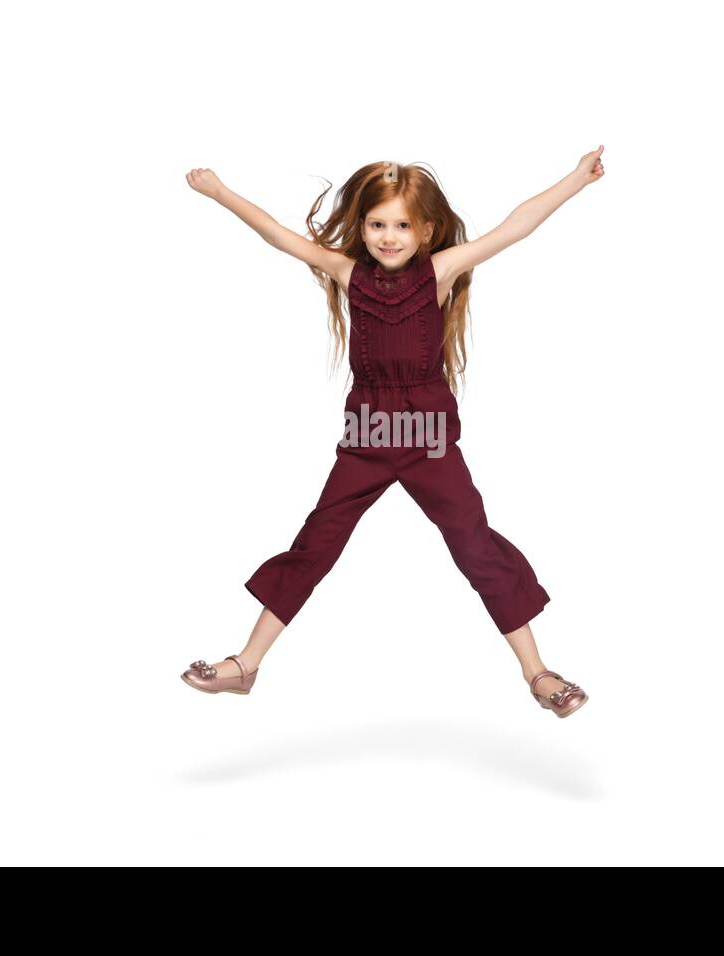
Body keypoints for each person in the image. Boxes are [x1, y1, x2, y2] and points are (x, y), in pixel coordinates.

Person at [180, 149, 605, 717]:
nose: (388, 236)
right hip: (368, 437)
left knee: (475, 545)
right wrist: (221, 193)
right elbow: (279, 236)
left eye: (402, 225)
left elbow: (515, 226)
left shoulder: (441, 271)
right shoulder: (348, 272)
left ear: (426, 230)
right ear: (362, 228)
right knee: (316, 543)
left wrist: (576, 179)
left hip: (428, 438)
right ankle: (245, 665)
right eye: (378, 224)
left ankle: (538, 672)